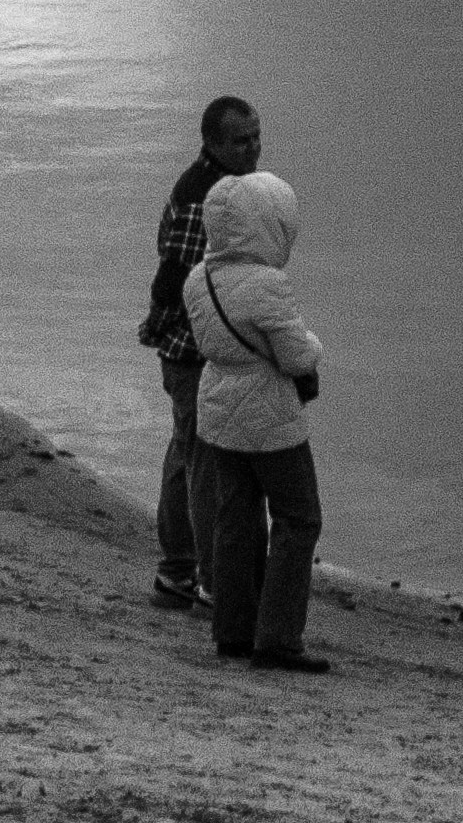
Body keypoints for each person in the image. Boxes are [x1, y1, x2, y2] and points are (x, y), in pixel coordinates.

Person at [183, 169, 329, 673]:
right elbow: (294, 359)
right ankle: (278, 639)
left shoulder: (197, 280)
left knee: (236, 518)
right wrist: (315, 344)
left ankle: (232, 631)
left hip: (218, 409)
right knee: (298, 518)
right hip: (269, 418)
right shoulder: (268, 284)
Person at [142, 96, 261, 611]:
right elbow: (176, 281)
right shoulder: (203, 198)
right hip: (191, 351)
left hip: (192, 348)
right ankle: (207, 579)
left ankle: (177, 572)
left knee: (185, 453)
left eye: (256, 136)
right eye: (241, 140)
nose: (254, 148)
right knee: (203, 464)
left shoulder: (218, 187)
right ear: (212, 144)